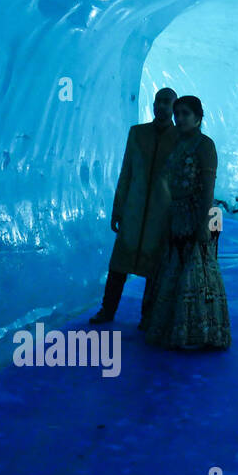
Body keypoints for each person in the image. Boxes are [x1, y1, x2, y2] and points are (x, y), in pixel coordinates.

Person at [143, 95, 231, 350]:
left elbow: (208, 189)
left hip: (198, 215)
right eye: (177, 113)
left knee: (198, 273)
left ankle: (202, 332)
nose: (179, 118)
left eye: (185, 114)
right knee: (175, 270)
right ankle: (174, 328)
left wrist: (203, 223)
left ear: (198, 118)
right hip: (177, 216)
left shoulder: (205, 146)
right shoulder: (179, 143)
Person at [90, 87, 179, 327]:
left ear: (174, 107)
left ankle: (148, 317)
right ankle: (107, 310)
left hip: (161, 215)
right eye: (158, 101)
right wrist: (118, 208)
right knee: (118, 264)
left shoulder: (179, 139)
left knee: (155, 269)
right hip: (134, 210)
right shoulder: (137, 133)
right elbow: (126, 173)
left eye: (166, 102)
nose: (161, 106)